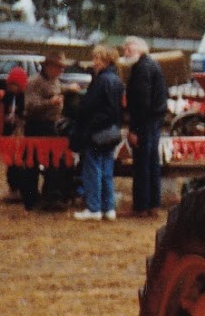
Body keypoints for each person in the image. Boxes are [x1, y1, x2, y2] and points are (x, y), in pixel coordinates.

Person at [74, 44, 123, 221]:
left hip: (97, 132)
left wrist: (87, 126)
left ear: (105, 60)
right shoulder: (117, 79)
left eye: (97, 58)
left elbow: (89, 107)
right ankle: (108, 208)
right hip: (111, 132)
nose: (93, 62)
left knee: (93, 169)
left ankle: (94, 208)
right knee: (107, 171)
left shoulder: (101, 80)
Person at [122, 36, 168, 217]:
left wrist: (134, 130)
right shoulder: (153, 66)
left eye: (129, 49)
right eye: (125, 49)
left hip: (145, 123)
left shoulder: (141, 69)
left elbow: (141, 103)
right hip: (154, 121)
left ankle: (141, 206)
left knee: (142, 164)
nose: (125, 52)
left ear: (140, 51)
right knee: (152, 164)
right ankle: (152, 204)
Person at [23, 52, 74, 210]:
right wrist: (50, 103)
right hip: (36, 125)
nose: (61, 70)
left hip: (50, 125)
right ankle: (31, 199)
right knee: (32, 163)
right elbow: (30, 104)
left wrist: (69, 89)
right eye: (59, 67)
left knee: (55, 161)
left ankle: (51, 196)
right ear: (49, 67)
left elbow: (57, 89)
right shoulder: (34, 82)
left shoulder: (55, 80)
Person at [0, 65, 29, 201]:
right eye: (10, 85)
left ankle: (22, 189)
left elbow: (26, 114)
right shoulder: (7, 96)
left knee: (21, 163)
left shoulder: (25, 97)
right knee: (10, 163)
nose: (11, 88)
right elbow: (1, 113)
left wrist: (19, 118)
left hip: (20, 133)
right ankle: (13, 189)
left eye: (14, 85)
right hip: (9, 133)